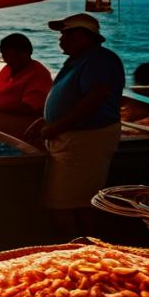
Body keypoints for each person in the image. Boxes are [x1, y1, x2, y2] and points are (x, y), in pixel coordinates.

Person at [26, 14, 124, 238]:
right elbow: (74, 98)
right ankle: (84, 246)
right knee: (78, 200)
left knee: (62, 202)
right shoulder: (81, 59)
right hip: (72, 138)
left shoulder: (99, 60)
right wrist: (46, 120)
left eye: (66, 33)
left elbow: (95, 97)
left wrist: (56, 126)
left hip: (84, 140)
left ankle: (79, 250)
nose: (61, 39)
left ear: (82, 35)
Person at [0, 33, 53, 140]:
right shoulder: (8, 68)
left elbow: (32, 108)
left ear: (23, 53)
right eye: (3, 54)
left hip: (20, 137)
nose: (5, 59)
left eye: (7, 54)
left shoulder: (38, 73)